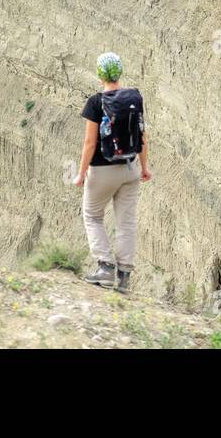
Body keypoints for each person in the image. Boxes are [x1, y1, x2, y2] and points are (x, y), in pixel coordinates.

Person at [74, 52, 150, 291]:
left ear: (100, 74)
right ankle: (124, 278)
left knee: (93, 216)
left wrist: (80, 173)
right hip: (130, 169)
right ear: (119, 72)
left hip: (103, 171)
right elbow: (142, 136)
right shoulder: (134, 97)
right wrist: (144, 168)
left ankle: (105, 267)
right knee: (125, 222)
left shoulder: (95, 103)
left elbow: (89, 143)